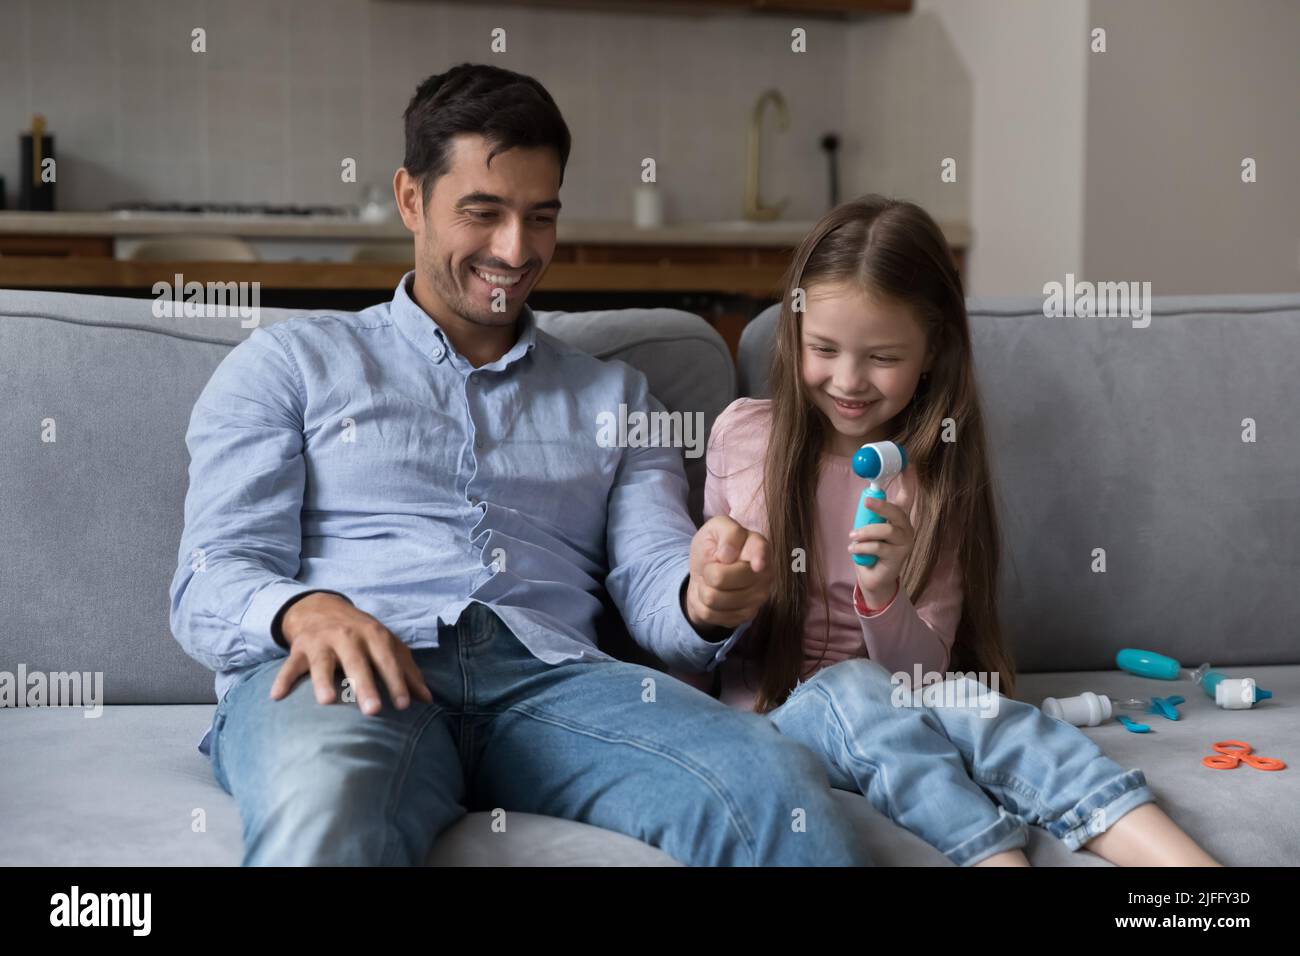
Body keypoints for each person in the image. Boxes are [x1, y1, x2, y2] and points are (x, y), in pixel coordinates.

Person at [169, 63, 870, 867]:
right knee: (324, 814)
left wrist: (705, 600)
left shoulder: (619, 395)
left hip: (554, 682)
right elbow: (208, 577)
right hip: (350, 678)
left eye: (541, 217)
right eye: (483, 212)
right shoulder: (289, 364)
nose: (516, 249)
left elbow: (654, 590)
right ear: (410, 199)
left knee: (772, 784)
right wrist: (307, 610)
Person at [671, 195, 1221, 867]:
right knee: (853, 689)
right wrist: (722, 585)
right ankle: (994, 859)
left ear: (932, 351)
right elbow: (702, 641)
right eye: (823, 348)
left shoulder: (930, 472)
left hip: (905, 702)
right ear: (794, 336)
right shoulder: (744, 437)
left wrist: (883, 595)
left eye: (881, 356)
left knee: (987, 711)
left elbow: (916, 676)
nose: (848, 380)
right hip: (778, 718)